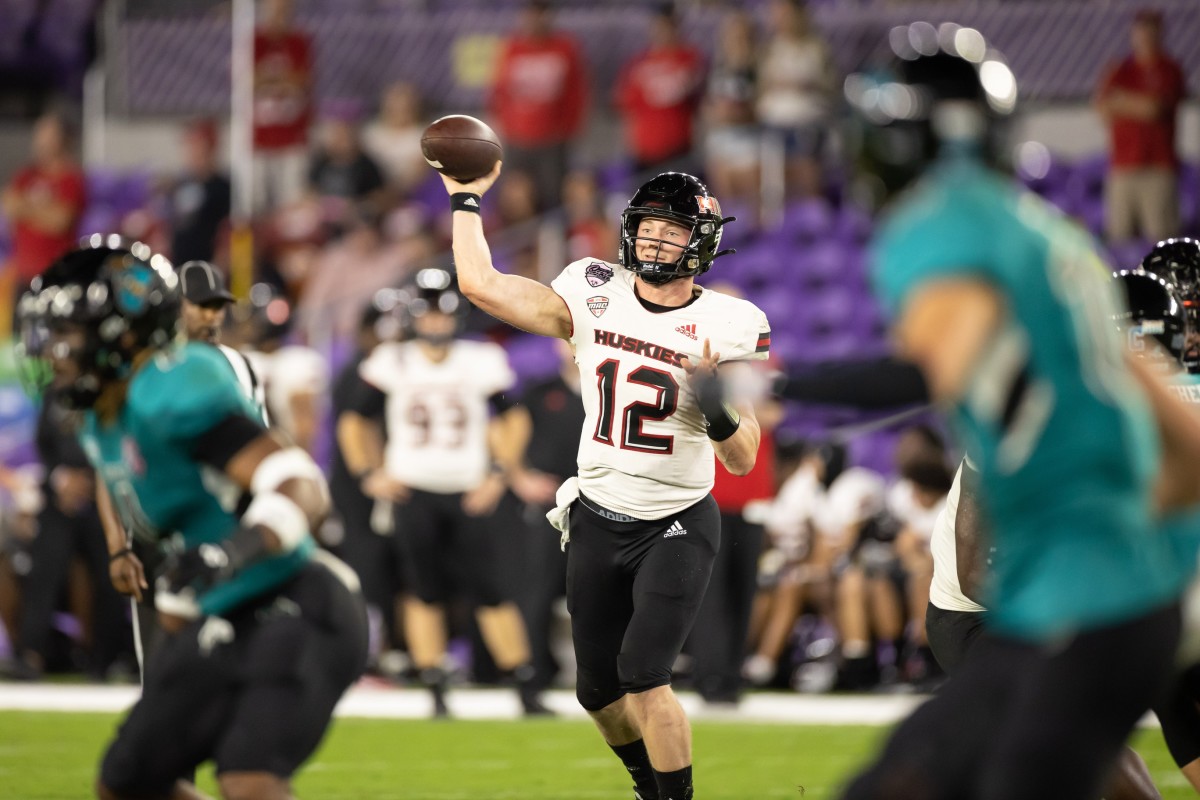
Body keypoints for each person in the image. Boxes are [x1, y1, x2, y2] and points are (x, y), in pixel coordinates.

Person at [838, 25, 1200, 799]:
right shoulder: (1056, 242)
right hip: (1123, 604)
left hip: (1075, 606)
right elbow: (1188, 451)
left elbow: (926, 365)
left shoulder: (942, 229)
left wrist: (768, 389)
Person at [441, 162, 770, 800]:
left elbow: (743, 458)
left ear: (699, 243)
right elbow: (480, 284)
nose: (653, 241)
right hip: (596, 515)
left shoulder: (730, 323)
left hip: (675, 520)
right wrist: (465, 198)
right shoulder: (595, 290)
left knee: (645, 674)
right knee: (596, 691)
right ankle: (652, 790)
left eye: (671, 231)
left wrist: (717, 403)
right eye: (647, 226)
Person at [16, 240, 367, 800]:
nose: (55, 351)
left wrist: (232, 553)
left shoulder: (171, 385)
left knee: (247, 780)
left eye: (71, 335)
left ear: (117, 335)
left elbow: (299, 483)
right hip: (210, 611)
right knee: (127, 782)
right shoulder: (99, 417)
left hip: (290, 601)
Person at [337, 268, 548, 718]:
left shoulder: (481, 359)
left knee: (492, 590)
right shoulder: (391, 361)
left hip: (468, 489)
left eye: (442, 313)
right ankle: (433, 682)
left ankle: (523, 682)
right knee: (423, 590)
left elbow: (515, 417)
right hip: (414, 491)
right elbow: (354, 421)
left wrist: (497, 473)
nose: (435, 323)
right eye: (428, 314)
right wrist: (368, 473)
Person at [100, 259, 269, 670]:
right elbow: (109, 469)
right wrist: (118, 547)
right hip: (156, 529)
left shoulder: (241, 366)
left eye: (217, 306)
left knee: (231, 661)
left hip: (221, 529)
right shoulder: (136, 369)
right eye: (199, 305)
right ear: (174, 307)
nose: (211, 316)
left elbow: (263, 450)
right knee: (160, 667)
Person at [503, 339, 585, 693]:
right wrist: (518, 476)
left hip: (603, 505)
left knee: (601, 594)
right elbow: (507, 433)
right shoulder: (540, 392)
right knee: (535, 592)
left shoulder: (616, 388)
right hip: (550, 507)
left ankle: (609, 676)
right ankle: (534, 674)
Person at [1094, 8, 1187, 244]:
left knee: (1161, 239)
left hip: (1157, 167)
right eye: (1140, 31)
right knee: (1119, 238)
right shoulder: (1121, 69)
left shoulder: (1169, 70)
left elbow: (1154, 109)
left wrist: (1122, 101)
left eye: (1149, 31)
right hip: (1123, 166)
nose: (1144, 37)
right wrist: (1136, 103)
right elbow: (1102, 108)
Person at [488, 0, 588, 211]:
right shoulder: (512, 48)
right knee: (515, 200)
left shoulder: (565, 48)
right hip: (517, 141)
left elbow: (576, 94)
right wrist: (506, 129)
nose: (535, 19)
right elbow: (499, 93)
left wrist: (567, 131)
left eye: (540, 12)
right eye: (530, 13)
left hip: (552, 141)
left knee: (552, 197)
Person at [1, 112, 86, 310]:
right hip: (24, 275)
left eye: (47, 135)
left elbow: (60, 221)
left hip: (55, 275)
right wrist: (43, 212)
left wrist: (26, 208)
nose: (40, 141)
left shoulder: (70, 179)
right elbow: (10, 207)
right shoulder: (26, 176)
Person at [614, 2, 706, 175]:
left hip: (679, 149)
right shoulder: (638, 63)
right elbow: (628, 108)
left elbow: (696, 97)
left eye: (668, 26)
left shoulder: (690, 58)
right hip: (646, 152)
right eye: (659, 25)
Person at [253, 0, 314, 212]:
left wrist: (268, 78)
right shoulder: (254, 42)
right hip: (259, 137)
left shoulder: (298, 42)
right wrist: (283, 79)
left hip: (292, 135)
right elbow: (247, 81)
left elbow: (303, 80)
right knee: (256, 200)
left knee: (292, 201)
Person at [167, 120, 231, 266]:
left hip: (206, 265)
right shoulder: (181, 185)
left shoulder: (222, 188)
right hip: (179, 263)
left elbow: (227, 230)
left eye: (197, 147)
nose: (192, 153)